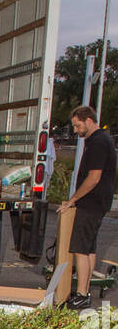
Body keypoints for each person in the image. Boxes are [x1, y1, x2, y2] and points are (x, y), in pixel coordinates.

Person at [59, 106, 117, 310]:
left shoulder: (98, 143)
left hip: (91, 203)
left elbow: (93, 178)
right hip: (98, 202)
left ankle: (82, 294)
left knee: (79, 248)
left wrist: (73, 199)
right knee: (89, 247)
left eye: (77, 125)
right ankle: (86, 290)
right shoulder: (99, 141)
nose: (75, 130)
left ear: (89, 120)